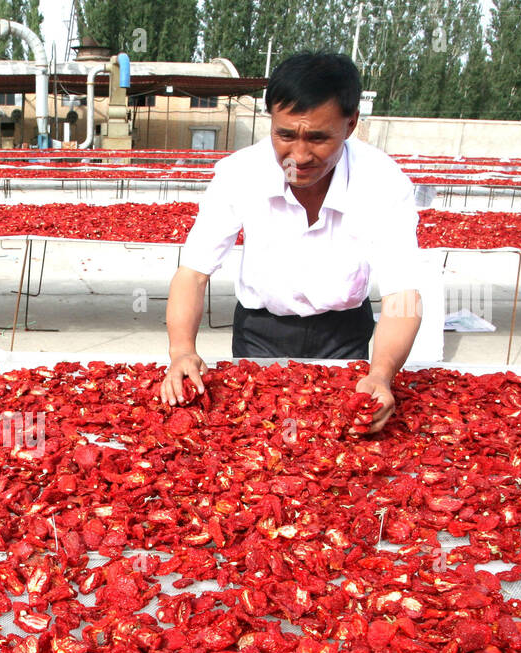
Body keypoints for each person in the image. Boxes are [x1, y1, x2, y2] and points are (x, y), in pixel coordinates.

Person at [160, 52, 422, 433]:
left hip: (344, 333)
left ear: (350, 125)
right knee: (256, 441)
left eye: (318, 138)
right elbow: (194, 272)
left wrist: (381, 373)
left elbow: (403, 293)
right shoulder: (239, 173)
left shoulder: (381, 180)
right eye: (285, 135)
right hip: (261, 333)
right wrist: (182, 350)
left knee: (342, 449)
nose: (298, 156)